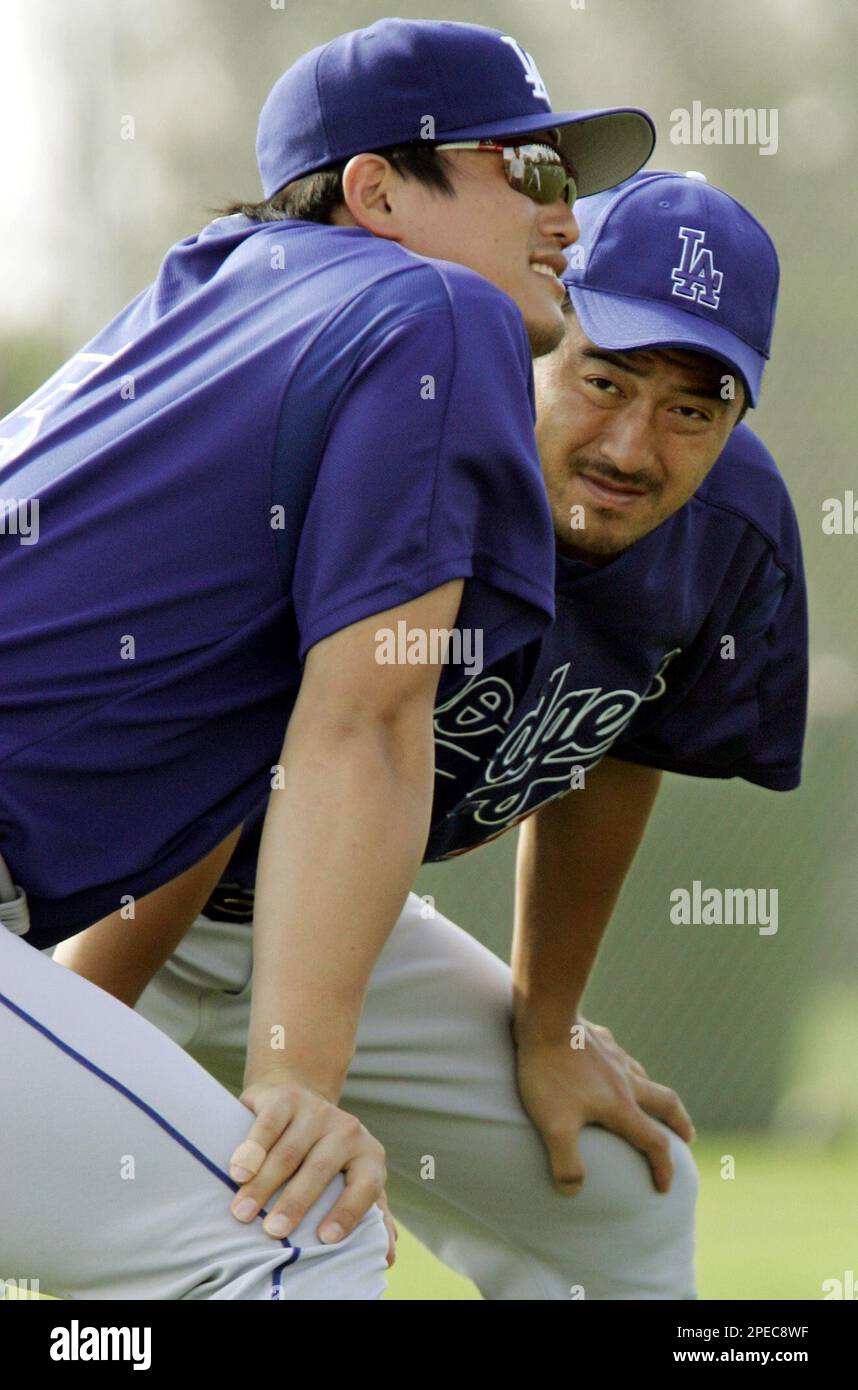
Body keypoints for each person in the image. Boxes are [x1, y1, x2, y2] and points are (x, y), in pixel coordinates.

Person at [60, 171, 806, 1300]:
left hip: (326, 925)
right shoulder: (409, 444)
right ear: (535, 336)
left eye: (692, 409)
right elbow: (224, 762)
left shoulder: (729, 530)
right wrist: (91, 1041)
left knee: (618, 1196)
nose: (633, 444)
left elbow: (616, 750)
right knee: (282, 1235)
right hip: (105, 893)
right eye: (604, 379)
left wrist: (547, 1029)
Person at [0, 19, 655, 1300]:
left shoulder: (190, 308)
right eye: (524, 171)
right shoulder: (433, 307)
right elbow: (363, 721)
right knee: (307, 1235)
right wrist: (294, 1083)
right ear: (375, 190)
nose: (567, 219)